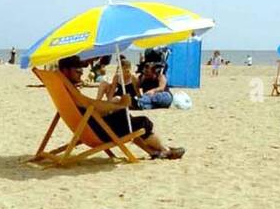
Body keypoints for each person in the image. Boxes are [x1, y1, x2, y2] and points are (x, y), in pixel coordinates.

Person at [56, 56, 184, 160]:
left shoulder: (62, 89)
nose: (81, 73)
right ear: (65, 71)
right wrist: (120, 104)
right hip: (98, 132)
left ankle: (153, 151)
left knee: (126, 119)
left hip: (88, 129)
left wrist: (117, 106)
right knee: (142, 122)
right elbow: (94, 106)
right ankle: (165, 150)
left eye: (82, 70)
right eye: (77, 70)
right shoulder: (72, 92)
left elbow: (91, 107)